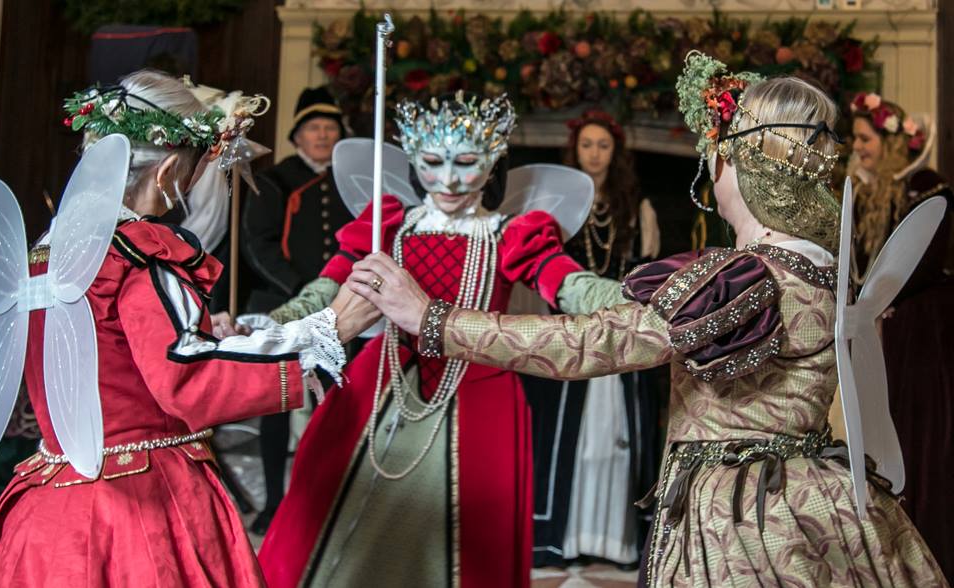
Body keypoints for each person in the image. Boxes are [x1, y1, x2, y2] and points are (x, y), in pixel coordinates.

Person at [347, 54, 948, 587]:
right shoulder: (821, 268)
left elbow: (590, 344)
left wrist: (431, 317)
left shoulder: (745, 276)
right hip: (816, 495)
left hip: (742, 517)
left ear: (729, 166)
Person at [0, 70, 377, 587]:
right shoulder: (142, 254)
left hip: (52, 500)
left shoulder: (48, 253)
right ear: (164, 173)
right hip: (139, 503)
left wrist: (215, 334)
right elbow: (187, 378)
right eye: (191, 173)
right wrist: (329, 329)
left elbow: (119, 356)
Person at [256, 92, 616, 587]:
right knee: (337, 506)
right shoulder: (386, 225)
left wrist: (637, 299)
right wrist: (272, 324)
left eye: (466, 163)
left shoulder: (513, 232)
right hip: (381, 384)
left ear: (491, 165)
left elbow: (569, 285)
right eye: (431, 162)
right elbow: (328, 287)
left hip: (478, 391)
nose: (448, 180)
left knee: (470, 532)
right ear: (414, 161)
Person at [525, 109, 661, 568]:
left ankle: (617, 541)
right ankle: (562, 536)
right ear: (574, 150)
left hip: (621, 333)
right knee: (570, 438)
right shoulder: (556, 208)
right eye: (587, 145)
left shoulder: (635, 206)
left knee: (618, 437)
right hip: (571, 334)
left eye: (603, 145)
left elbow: (643, 272)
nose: (595, 153)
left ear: (615, 152)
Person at [239, 86, 353, 534]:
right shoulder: (273, 179)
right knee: (277, 405)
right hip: (282, 304)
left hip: (339, 311)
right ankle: (272, 501)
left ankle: (326, 500)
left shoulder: (352, 179)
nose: (322, 135)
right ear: (297, 136)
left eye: (330, 127)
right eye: (313, 128)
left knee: (333, 403)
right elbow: (258, 245)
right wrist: (304, 290)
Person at [849, 92, 954, 579]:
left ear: (890, 142)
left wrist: (884, 303)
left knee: (914, 431)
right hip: (880, 328)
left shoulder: (926, 189)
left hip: (918, 333)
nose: (858, 146)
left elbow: (923, 262)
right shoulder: (864, 191)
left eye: (865, 138)